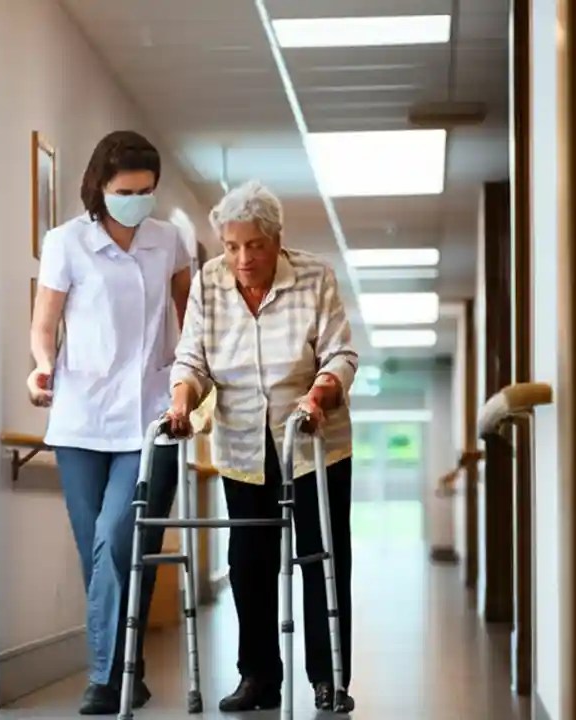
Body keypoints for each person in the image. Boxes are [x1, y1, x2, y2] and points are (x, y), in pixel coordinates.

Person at [165, 180, 358, 714]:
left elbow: (340, 353)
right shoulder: (209, 283)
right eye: (231, 246)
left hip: (313, 439)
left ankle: (329, 677)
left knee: (323, 558)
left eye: (254, 245)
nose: (242, 258)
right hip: (243, 442)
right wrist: (182, 400)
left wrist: (319, 395)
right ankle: (258, 678)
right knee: (248, 561)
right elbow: (192, 360)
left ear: (276, 240)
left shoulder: (314, 276)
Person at [27, 130, 193, 715]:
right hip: (81, 418)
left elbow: (188, 319)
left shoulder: (169, 240)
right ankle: (130, 667)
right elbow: (44, 324)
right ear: (99, 186)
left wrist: (188, 387)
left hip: (153, 416)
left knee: (120, 538)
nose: (138, 200)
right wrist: (43, 368)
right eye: (126, 191)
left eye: (148, 191)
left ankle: (105, 678)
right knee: (97, 551)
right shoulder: (66, 242)